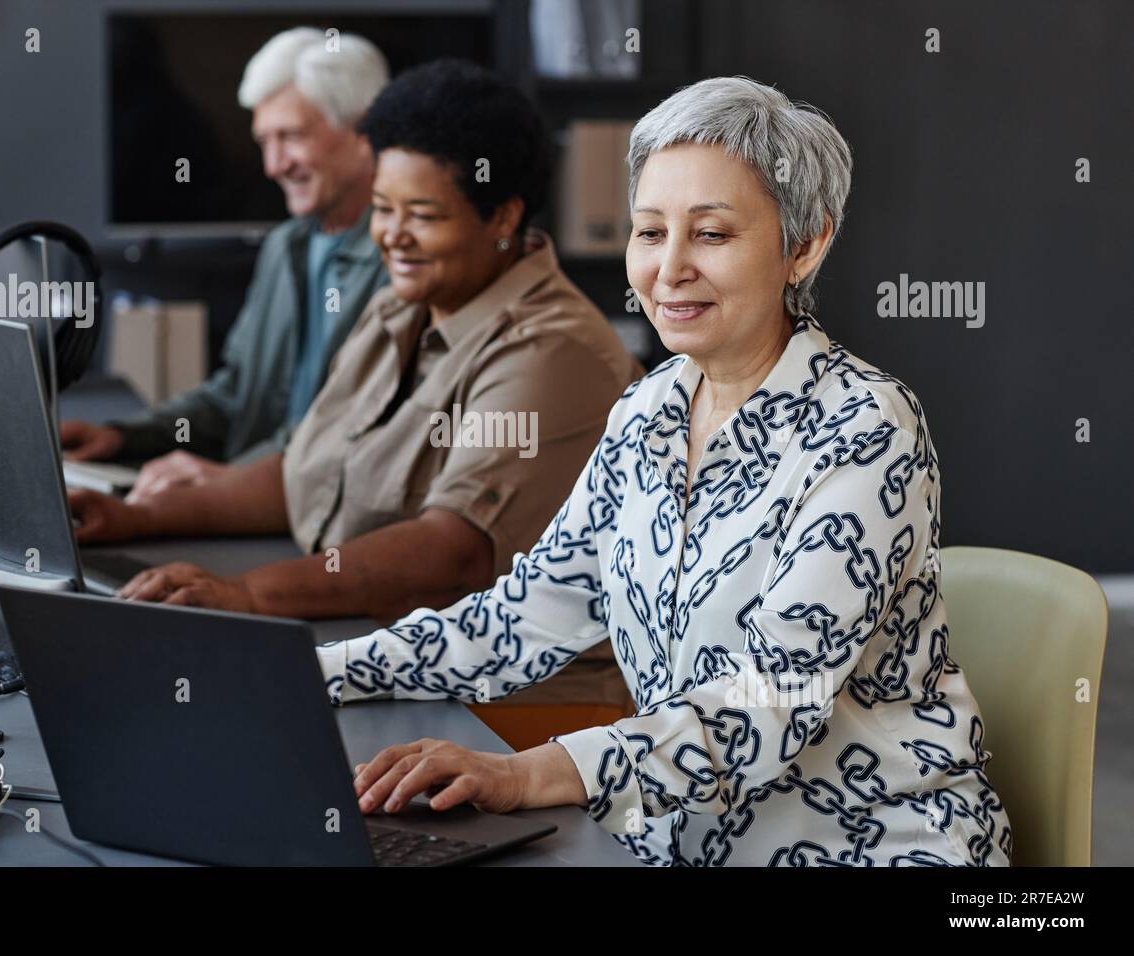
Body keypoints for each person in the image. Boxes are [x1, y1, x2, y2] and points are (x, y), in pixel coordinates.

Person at [317, 76, 1013, 867]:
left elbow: (767, 702)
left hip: (869, 848)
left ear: (805, 244)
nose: (669, 268)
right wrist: (314, 672)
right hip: (671, 847)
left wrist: (524, 774)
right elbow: (526, 616)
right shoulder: (646, 410)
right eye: (650, 233)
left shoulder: (864, 427)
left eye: (711, 235)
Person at [69, 60, 642, 708]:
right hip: (375, 647)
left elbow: (452, 553)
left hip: (511, 713)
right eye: (382, 209)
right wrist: (134, 519)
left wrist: (249, 595)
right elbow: (310, 471)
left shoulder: (552, 352)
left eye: (422, 214)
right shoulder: (405, 304)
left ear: (504, 217)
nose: (391, 237)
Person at [61, 28, 390, 501]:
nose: (273, 165)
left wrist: (226, 483)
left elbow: (357, 434)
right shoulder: (284, 248)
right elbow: (234, 394)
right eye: (264, 141)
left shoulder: (404, 259)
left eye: (291, 136)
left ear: (364, 133)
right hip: (250, 501)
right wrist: (124, 436)